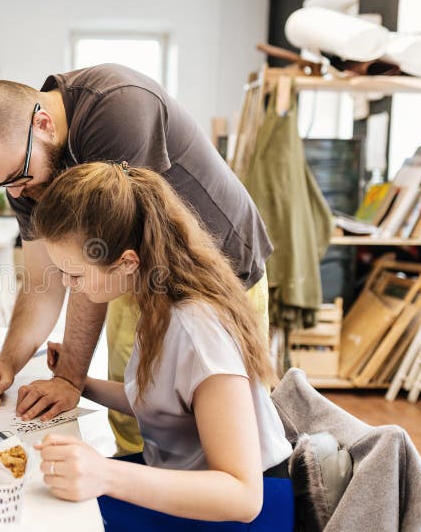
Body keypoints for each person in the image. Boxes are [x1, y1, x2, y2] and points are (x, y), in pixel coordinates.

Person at [0, 64, 272, 454]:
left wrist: (69, 378)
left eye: (17, 175)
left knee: (214, 433)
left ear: (43, 124)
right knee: (139, 419)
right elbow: (44, 280)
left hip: (220, 272)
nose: (15, 192)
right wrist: (7, 364)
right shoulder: (26, 173)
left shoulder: (118, 108)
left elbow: (95, 259)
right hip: (131, 275)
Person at [33, 162, 293, 530]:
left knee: (60, 518)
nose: (67, 284)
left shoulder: (197, 330)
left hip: (242, 509)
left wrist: (105, 474)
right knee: (47, 496)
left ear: (126, 262)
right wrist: (79, 385)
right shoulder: (157, 301)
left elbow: (243, 496)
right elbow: (164, 401)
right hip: (189, 479)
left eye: (74, 273)